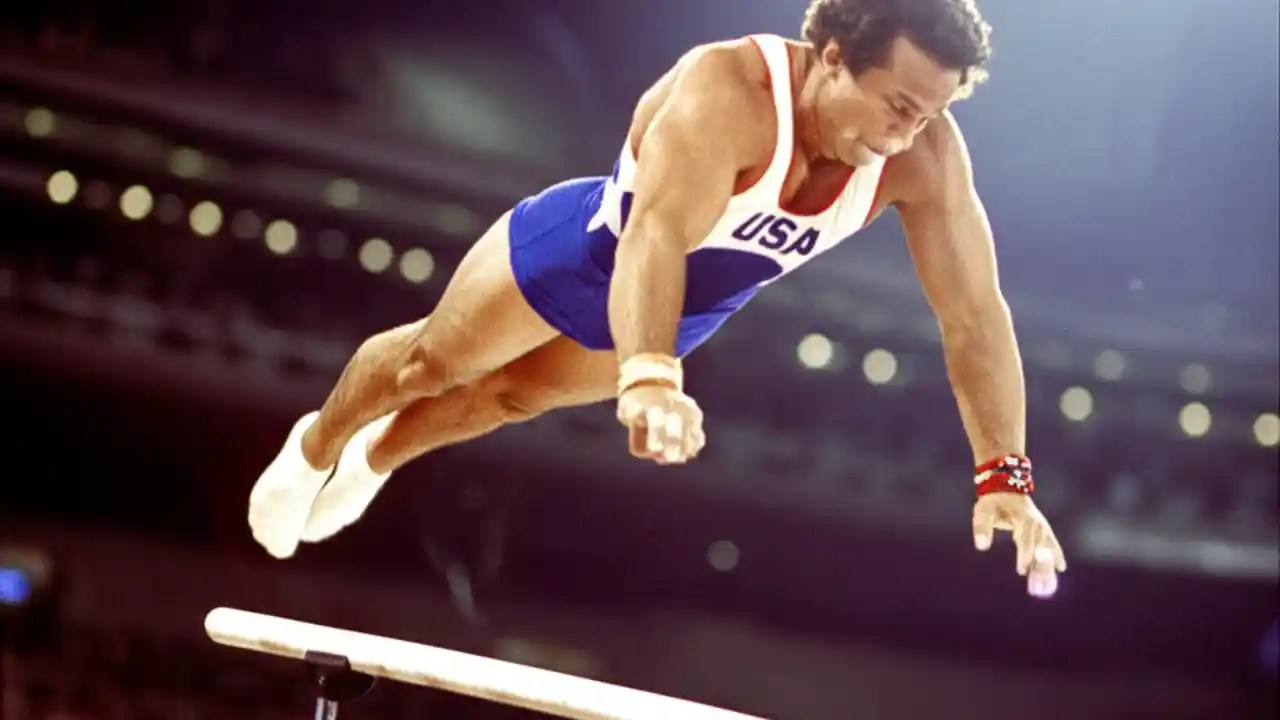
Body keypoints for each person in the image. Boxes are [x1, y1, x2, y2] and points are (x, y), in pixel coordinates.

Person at [248, 0, 1069, 598]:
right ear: (829, 57)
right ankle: (316, 447)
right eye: (897, 104)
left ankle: (373, 461)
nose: (905, 135)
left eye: (930, 115)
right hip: (594, 249)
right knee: (435, 362)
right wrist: (647, 372)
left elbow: (974, 317)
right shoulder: (732, 88)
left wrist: (1005, 472)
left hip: (685, 308)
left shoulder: (926, 157)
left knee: (504, 397)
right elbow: (657, 234)